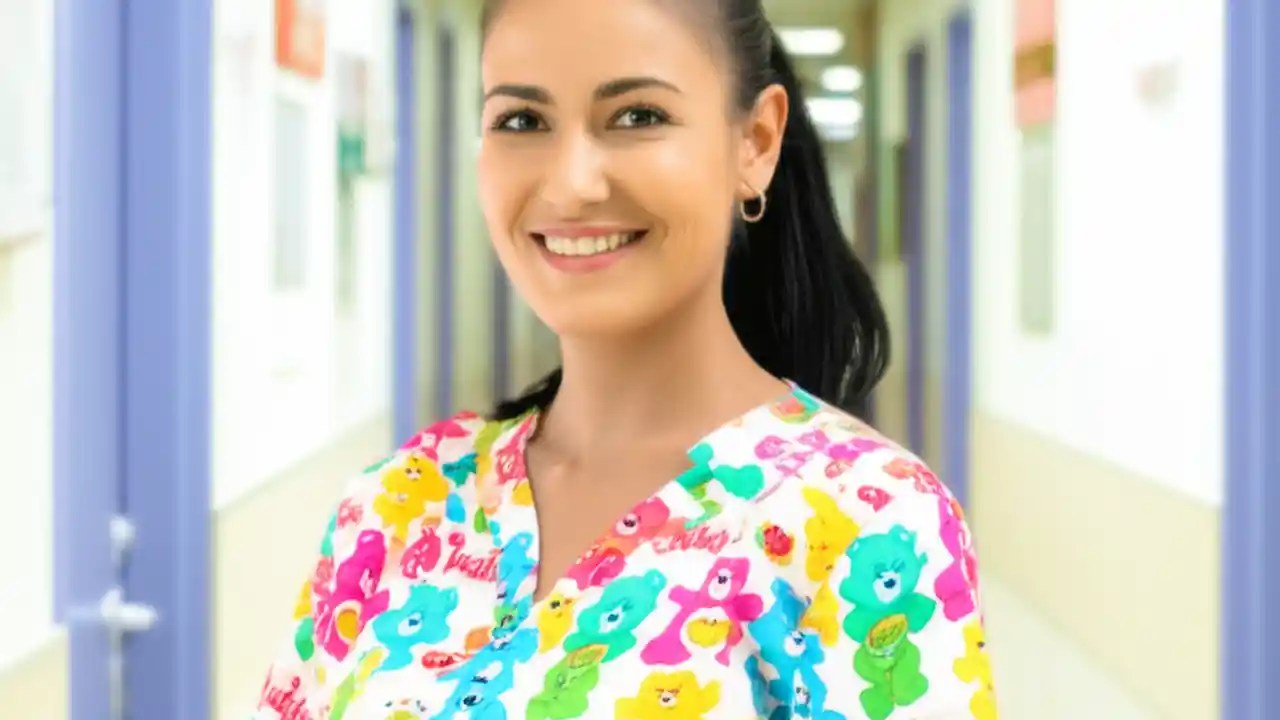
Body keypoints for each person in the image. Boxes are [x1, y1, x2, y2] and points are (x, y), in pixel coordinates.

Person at [252, 0, 996, 717]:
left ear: (756, 142)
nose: (573, 184)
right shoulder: (396, 508)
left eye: (638, 116)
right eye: (522, 120)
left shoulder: (868, 527)